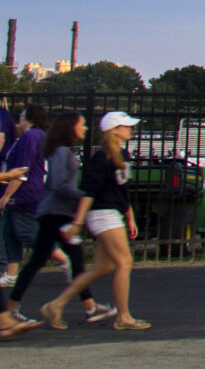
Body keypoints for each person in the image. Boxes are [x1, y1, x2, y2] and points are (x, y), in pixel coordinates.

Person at [40, 112, 148, 331]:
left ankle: (56, 305)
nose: (131, 129)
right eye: (126, 126)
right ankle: (123, 317)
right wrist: (78, 223)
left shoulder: (122, 154)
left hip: (112, 212)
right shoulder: (102, 157)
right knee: (125, 262)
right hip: (103, 214)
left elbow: (121, 189)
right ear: (114, 130)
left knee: (102, 267)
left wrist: (130, 216)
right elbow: (90, 192)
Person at [7, 111, 111, 330]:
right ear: (70, 127)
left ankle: (89, 307)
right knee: (42, 261)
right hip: (54, 214)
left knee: (71, 259)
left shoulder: (64, 151)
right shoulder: (61, 152)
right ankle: (10, 309)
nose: (85, 128)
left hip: (59, 213)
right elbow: (58, 184)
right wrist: (83, 195)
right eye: (81, 124)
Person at [1, 104, 49, 291]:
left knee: (26, 233)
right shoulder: (34, 136)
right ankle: (11, 274)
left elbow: (21, 170)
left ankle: (64, 255)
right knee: (9, 233)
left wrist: (7, 194)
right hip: (25, 191)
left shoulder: (31, 136)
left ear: (29, 118)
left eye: (22, 116)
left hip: (25, 193)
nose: (18, 119)